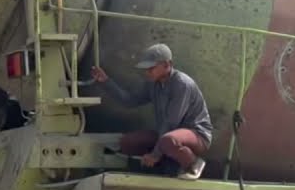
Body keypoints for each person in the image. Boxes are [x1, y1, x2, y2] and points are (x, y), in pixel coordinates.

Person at [90, 43, 214, 180]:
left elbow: (171, 123)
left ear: (167, 65)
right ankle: (163, 166)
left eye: (151, 68)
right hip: (167, 135)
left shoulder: (182, 85)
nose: (147, 72)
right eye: (146, 68)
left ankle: (193, 164)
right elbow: (129, 101)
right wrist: (106, 82)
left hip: (196, 135)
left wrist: (155, 154)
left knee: (168, 140)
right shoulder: (152, 84)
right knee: (128, 142)